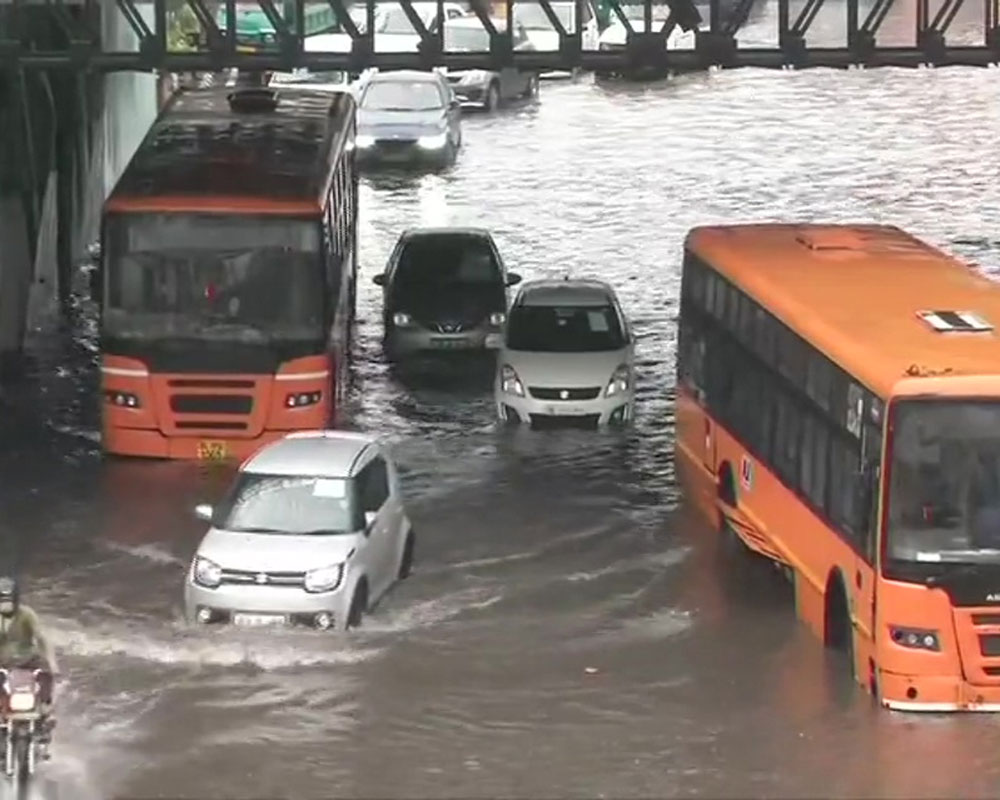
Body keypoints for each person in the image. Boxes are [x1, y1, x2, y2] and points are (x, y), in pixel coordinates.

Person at [0, 576, 58, 756]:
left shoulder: (27, 614)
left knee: (46, 675)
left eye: (8, 601)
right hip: (2, 661)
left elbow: (41, 638)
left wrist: (52, 662)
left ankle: (45, 714)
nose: (5, 605)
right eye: (2, 601)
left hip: (28, 659)